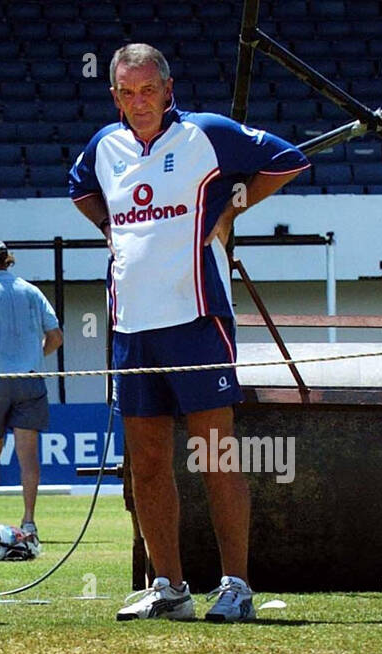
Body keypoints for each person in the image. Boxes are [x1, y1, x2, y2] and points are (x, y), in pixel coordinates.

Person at [69, 43, 309, 623]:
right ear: (114, 96)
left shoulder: (206, 133)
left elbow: (289, 159)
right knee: (147, 464)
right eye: (127, 92)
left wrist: (231, 208)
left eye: (148, 90)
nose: (138, 102)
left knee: (215, 455)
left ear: (168, 88)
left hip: (197, 318)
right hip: (130, 328)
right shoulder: (105, 146)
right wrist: (110, 228)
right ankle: (169, 586)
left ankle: (236, 586)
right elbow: (79, 188)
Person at [0, 239, 63, 543]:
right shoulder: (32, 291)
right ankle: (29, 521)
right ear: (8, 261)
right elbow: (56, 337)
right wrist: (33, 355)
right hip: (29, 379)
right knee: (28, 455)